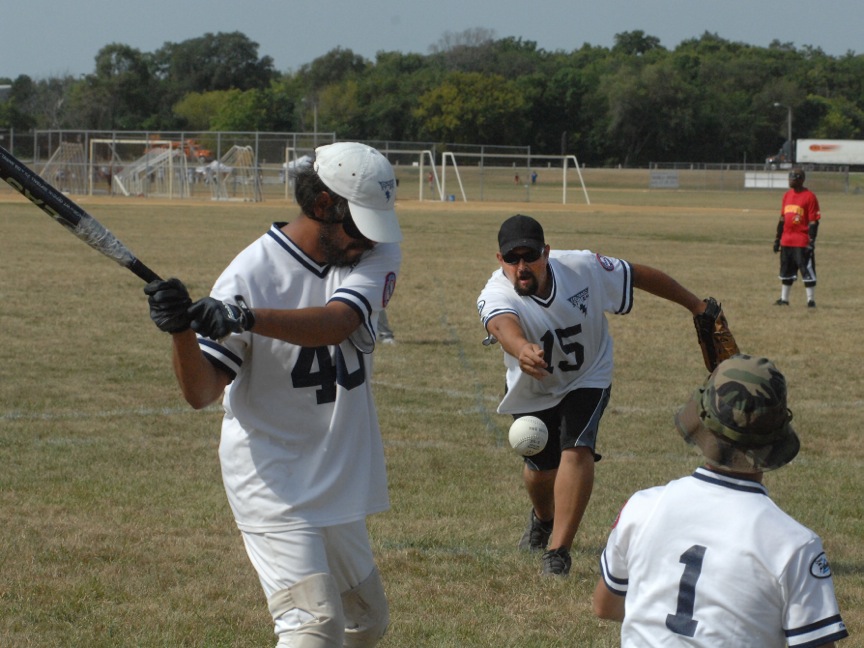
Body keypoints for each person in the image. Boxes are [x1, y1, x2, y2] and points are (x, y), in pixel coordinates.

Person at [144, 142, 401, 647]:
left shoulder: (374, 251)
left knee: (365, 622)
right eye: (360, 225)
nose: (370, 240)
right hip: (273, 478)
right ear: (323, 205)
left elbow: (337, 322)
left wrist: (245, 317)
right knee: (312, 625)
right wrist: (179, 331)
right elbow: (200, 392)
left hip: (337, 472)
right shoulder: (247, 277)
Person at [476, 214, 713, 576]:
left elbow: (638, 275)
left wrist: (696, 306)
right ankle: (542, 518)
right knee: (540, 467)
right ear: (500, 260)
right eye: (512, 259)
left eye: (531, 256)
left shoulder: (582, 267)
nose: (522, 267)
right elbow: (500, 323)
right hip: (532, 387)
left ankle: (558, 552)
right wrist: (521, 347)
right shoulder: (495, 291)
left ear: (547, 252)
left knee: (578, 447)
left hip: (588, 374)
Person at [593, 354, 848, 647]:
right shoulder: (795, 545)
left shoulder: (642, 507)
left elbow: (606, 605)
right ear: (776, 434)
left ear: (702, 419)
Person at [774, 166, 820, 308]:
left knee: (806, 270)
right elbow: (782, 218)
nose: (790, 180)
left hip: (802, 241)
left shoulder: (809, 196)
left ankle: (810, 300)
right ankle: (784, 299)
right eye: (790, 177)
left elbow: (813, 221)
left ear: (801, 180)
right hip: (787, 240)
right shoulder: (787, 195)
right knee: (786, 270)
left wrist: (811, 241)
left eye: (794, 178)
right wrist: (777, 239)